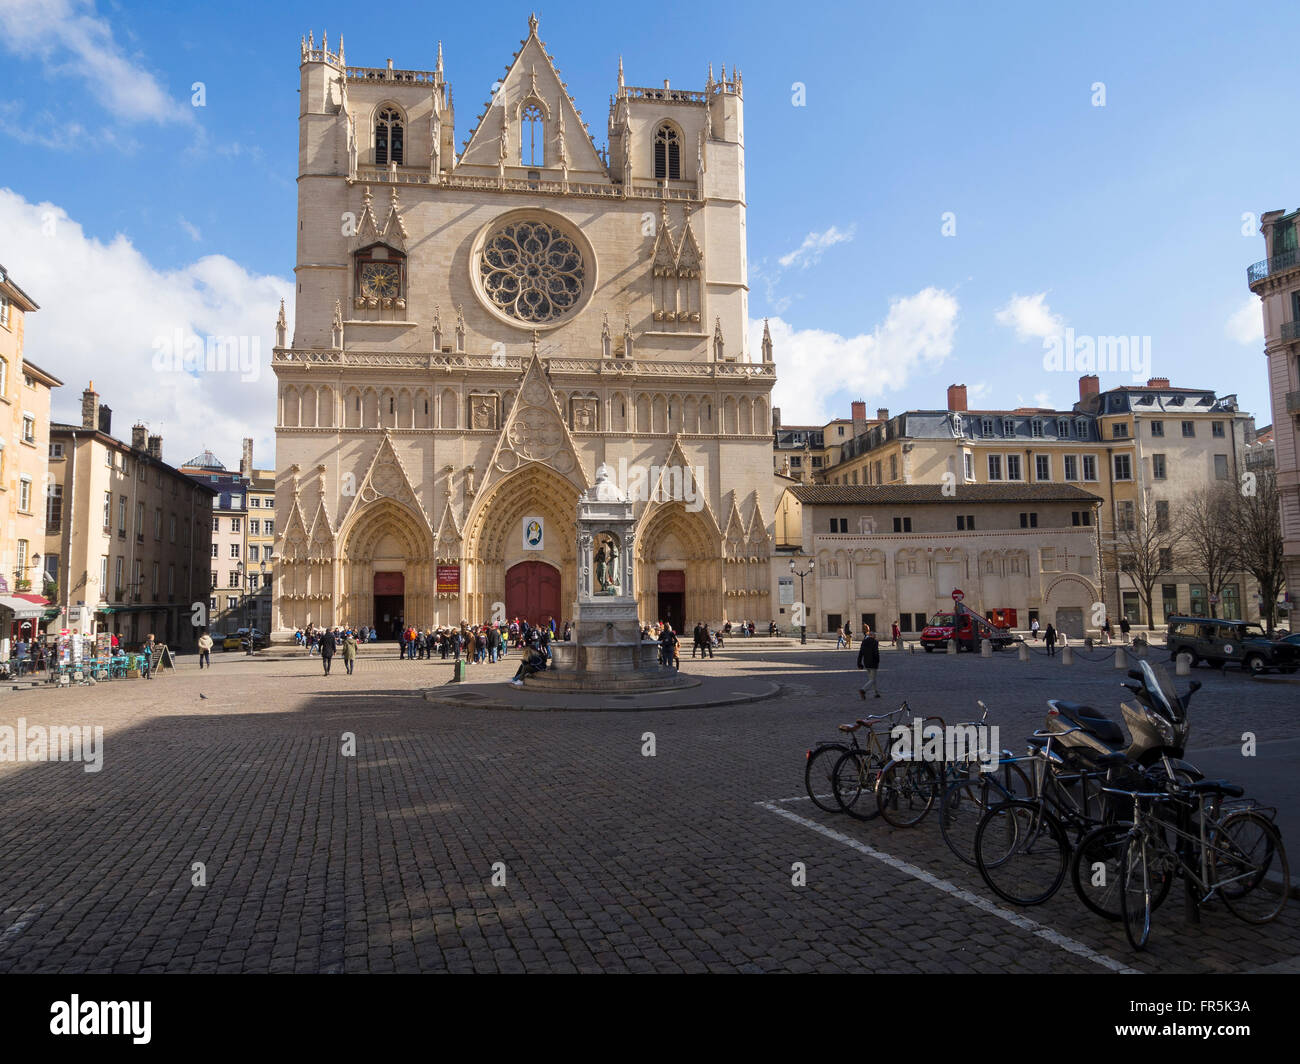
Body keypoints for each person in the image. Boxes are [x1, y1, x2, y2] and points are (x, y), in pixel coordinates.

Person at [857, 626, 882, 699]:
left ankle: (876, 693)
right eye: (875, 635)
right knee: (872, 679)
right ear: (872, 635)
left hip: (866, 662)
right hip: (873, 662)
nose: (875, 637)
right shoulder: (875, 642)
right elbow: (876, 653)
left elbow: (860, 653)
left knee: (872, 679)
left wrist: (859, 663)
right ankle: (863, 690)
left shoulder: (864, 642)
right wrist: (877, 661)